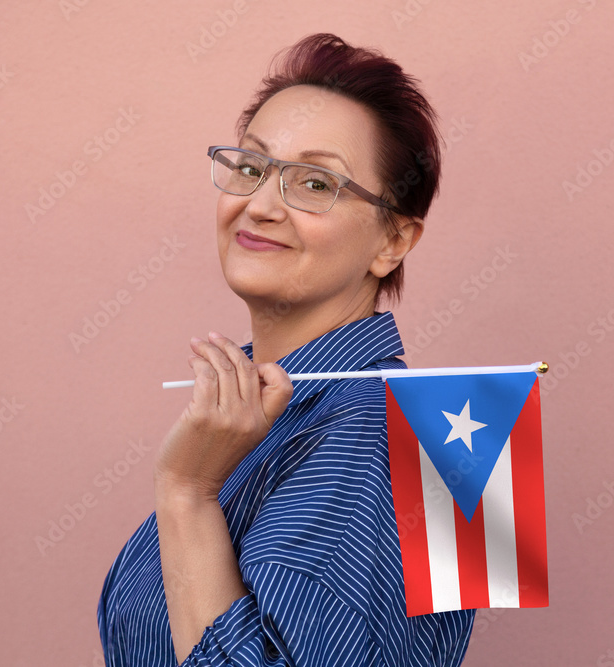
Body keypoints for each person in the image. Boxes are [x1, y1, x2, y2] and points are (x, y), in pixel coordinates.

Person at [98, 32, 476, 665]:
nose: (260, 205)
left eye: (316, 183)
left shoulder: (377, 439)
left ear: (393, 240)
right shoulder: (263, 419)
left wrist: (186, 492)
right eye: (251, 168)